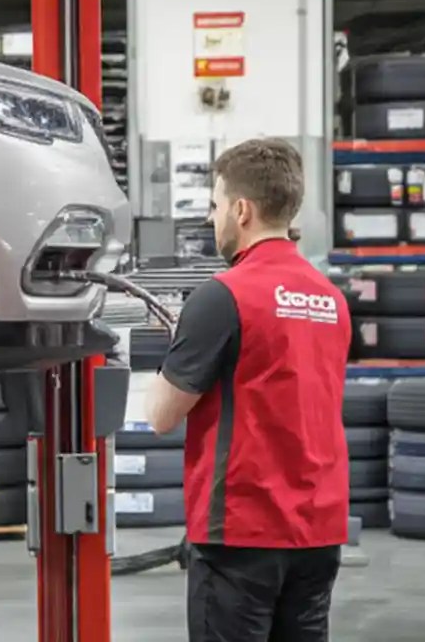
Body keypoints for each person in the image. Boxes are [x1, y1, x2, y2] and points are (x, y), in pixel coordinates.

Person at [145, 137, 352, 641]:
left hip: (242, 531)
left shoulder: (222, 296)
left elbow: (161, 415)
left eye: (215, 206)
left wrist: (178, 347)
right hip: (319, 529)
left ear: (241, 210)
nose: (212, 219)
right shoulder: (331, 298)